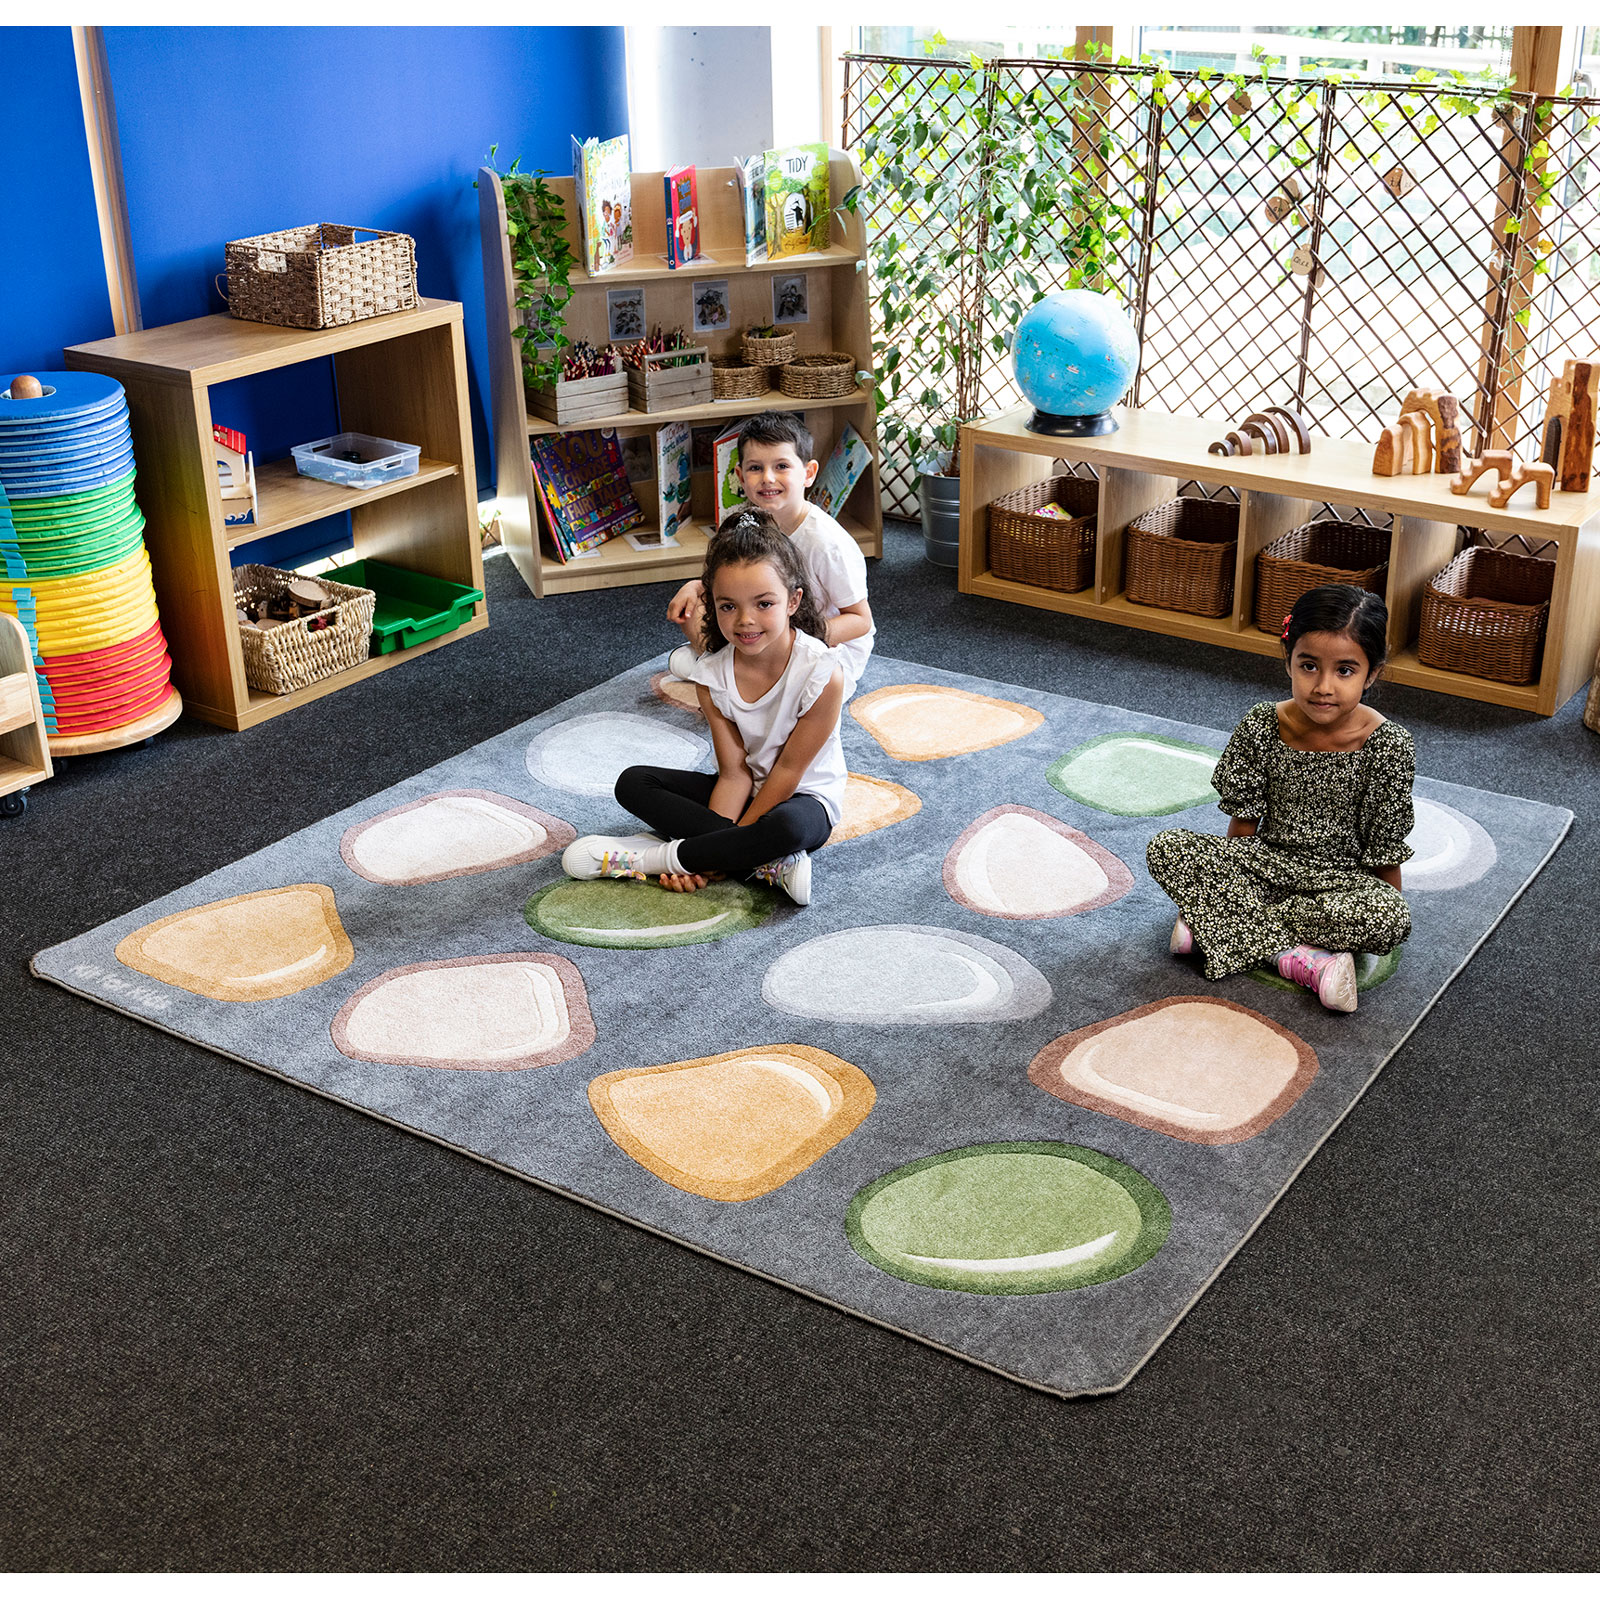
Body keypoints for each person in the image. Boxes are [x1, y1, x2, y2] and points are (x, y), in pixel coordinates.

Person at [1146, 584, 1414, 1013]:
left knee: (1389, 918)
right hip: (1266, 864)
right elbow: (1243, 825)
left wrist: (1386, 913)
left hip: (1340, 880)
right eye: (1308, 666)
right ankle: (1298, 958)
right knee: (1168, 847)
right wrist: (1233, 875)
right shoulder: (1262, 724)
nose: (1323, 686)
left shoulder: (1389, 745)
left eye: (1345, 671)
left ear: (1372, 674)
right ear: (1288, 659)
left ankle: (1216, 926)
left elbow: (1384, 848)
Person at [563, 511, 846, 906]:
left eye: (764, 603)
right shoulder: (711, 675)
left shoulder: (823, 674)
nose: (745, 621)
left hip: (803, 798)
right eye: (728, 607)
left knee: (786, 828)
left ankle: (653, 858)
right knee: (633, 782)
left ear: (793, 601)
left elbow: (787, 772)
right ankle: (765, 864)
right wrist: (728, 844)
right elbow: (734, 774)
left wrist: (712, 852)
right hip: (746, 791)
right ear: (712, 605)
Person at [665, 411, 874, 695]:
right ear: (740, 476)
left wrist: (790, 640)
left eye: (782, 466)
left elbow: (861, 621)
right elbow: (734, 585)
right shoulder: (749, 523)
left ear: (808, 474)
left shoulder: (826, 543)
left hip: (819, 644)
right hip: (763, 626)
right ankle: (725, 667)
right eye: (755, 468)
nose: (768, 478)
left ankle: (716, 667)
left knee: (777, 699)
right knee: (694, 611)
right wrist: (697, 587)